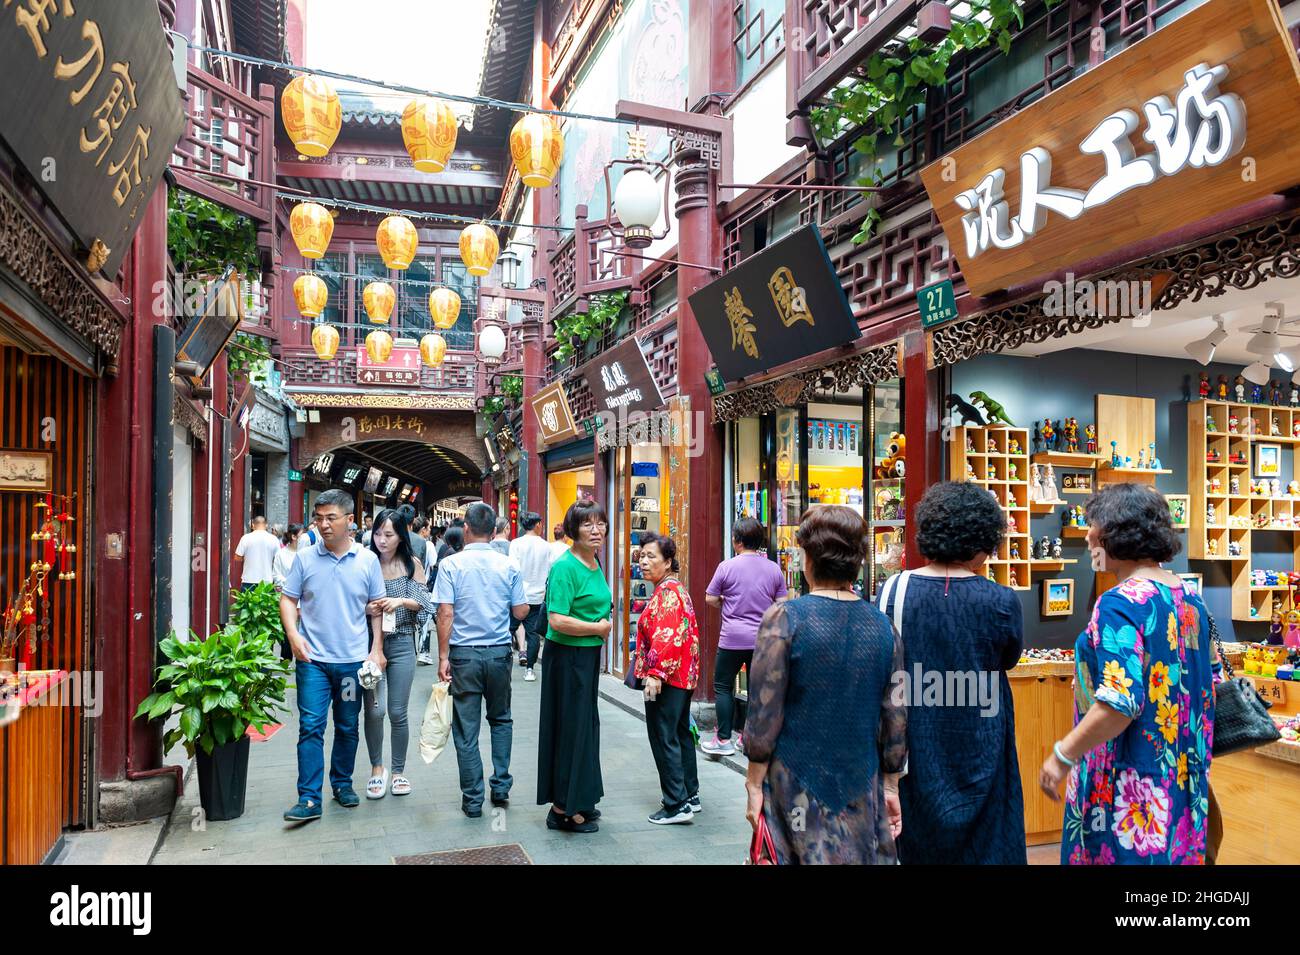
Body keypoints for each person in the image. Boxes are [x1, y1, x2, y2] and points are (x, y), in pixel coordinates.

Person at [1040, 483, 1214, 865]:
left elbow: (1120, 704)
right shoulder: (1189, 598)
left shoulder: (1120, 603)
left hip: (1129, 788)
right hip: (1182, 784)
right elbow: (1206, 680)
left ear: (1117, 532)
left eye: (1094, 524)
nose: (1088, 535)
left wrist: (1062, 755)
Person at [744, 505, 907, 864]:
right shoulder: (883, 629)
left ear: (809, 558)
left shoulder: (785, 619)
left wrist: (754, 782)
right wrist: (891, 783)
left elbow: (763, 713)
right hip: (862, 780)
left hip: (794, 779)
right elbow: (895, 717)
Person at [876, 481, 1025, 864]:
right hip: (983, 743)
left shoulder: (894, 590)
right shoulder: (1002, 601)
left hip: (916, 745)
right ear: (984, 538)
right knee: (988, 845)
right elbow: (1007, 658)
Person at [279, 489, 387, 823]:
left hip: (352, 662)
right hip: (312, 662)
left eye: (331, 518)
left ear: (349, 521)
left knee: (346, 725)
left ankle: (342, 784)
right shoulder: (305, 558)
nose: (323, 525)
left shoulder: (367, 560)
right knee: (311, 726)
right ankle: (309, 798)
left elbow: (378, 610)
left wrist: (377, 650)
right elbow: (287, 599)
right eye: (319, 518)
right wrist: (293, 635)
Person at [434, 503, 528, 817]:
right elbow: (520, 611)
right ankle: (500, 787)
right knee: (501, 720)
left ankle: (473, 799)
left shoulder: (451, 565)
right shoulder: (509, 565)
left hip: (464, 655)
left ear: (466, 529)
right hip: (499, 652)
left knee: (466, 728)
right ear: (492, 531)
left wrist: (443, 656)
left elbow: (445, 612)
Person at [537, 501, 612, 833]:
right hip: (567, 659)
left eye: (600, 523)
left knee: (585, 728)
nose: (596, 530)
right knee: (569, 729)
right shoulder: (566, 566)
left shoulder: (594, 560)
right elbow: (556, 620)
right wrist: (598, 628)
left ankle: (581, 799)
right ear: (573, 529)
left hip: (586, 658)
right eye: (587, 525)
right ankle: (562, 810)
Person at [362, 509, 434, 799]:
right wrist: (366, 609)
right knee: (374, 711)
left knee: (397, 712)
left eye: (389, 534)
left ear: (401, 536)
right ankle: (376, 768)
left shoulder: (411, 563)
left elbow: (424, 603)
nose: (381, 539)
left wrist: (400, 600)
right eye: (378, 533)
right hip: (371, 644)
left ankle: (399, 771)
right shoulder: (366, 563)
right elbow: (352, 598)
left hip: (403, 641)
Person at [702, 518, 786, 757]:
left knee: (723, 687)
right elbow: (782, 604)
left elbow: (710, 597)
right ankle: (747, 738)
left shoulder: (726, 567)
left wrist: (727, 604)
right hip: (762, 639)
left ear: (736, 541)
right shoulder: (772, 568)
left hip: (732, 638)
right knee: (756, 689)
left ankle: (723, 740)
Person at [633, 534, 702, 824]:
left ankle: (676, 804)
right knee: (680, 733)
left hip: (669, 676)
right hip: (681, 675)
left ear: (668, 561)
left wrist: (656, 674)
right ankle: (690, 794)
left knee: (664, 735)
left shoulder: (668, 592)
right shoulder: (671, 589)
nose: (644, 562)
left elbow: (669, 635)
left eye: (651, 556)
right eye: (642, 556)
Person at [510, 512, 552, 682]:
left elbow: (512, 570)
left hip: (518, 596)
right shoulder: (546, 546)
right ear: (537, 524)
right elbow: (551, 571)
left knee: (508, 630)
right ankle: (529, 669)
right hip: (537, 596)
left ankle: (502, 664)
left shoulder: (516, 544)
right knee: (533, 634)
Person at [234, 515, 280, 590]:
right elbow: (278, 559)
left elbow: (237, 557)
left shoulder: (246, 538)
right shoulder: (274, 539)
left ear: (252, 525)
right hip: (267, 580)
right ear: (266, 525)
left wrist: (248, 557)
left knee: (248, 602)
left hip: (249, 580)